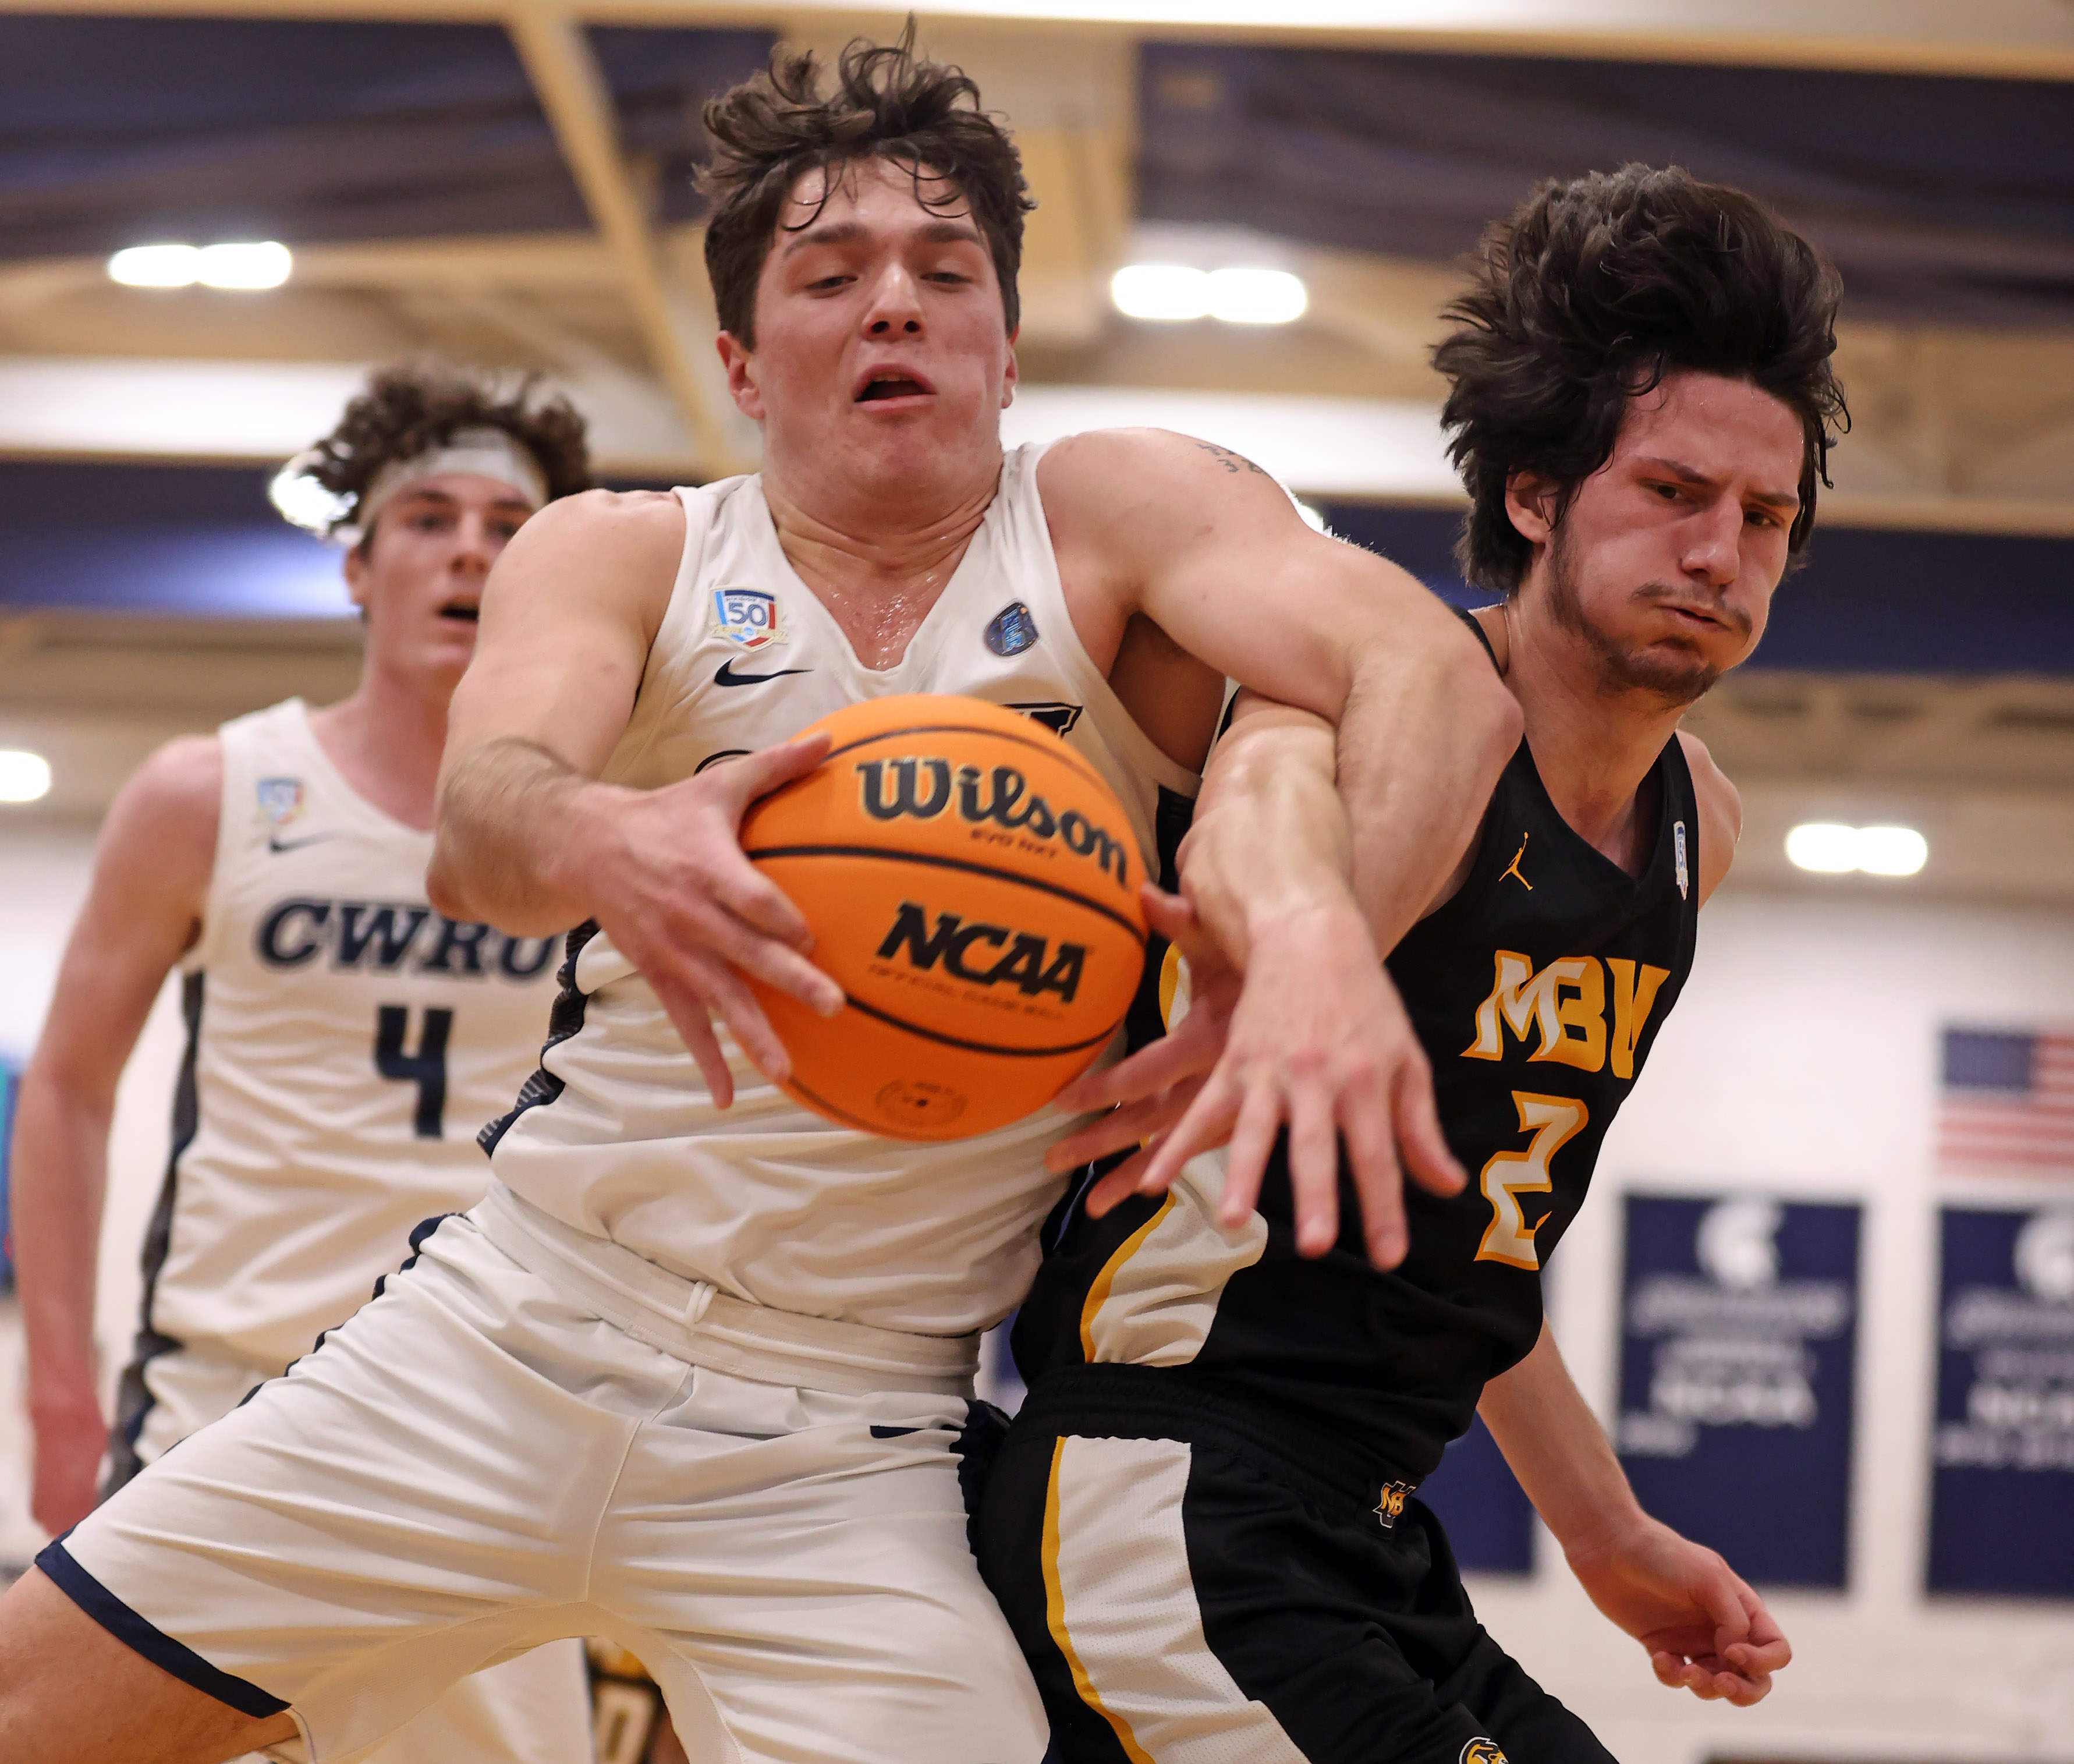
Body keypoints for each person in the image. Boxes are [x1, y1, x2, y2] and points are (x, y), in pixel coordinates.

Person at [0, 38, 1520, 1764]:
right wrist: (604, 838)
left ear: (1008, 345)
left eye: (948, 275)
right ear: (738, 357)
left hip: (852, 1431)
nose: (898, 307)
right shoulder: (625, 550)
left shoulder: (1114, 516)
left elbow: (1436, 681)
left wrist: (1319, 943)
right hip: (510, 1329)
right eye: (832, 274)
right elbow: (482, 830)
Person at [979, 164, 1850, 1763]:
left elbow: (1470, 1244)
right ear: (1533, 494)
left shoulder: (1691, 829)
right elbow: (1256, 824)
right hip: (1162, 1478)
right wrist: (1291, 927)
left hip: (1367, 1526)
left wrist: (1605, 1531)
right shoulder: (1370, 706)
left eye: (1764, 515)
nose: (1720, 548)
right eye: (1669, 491)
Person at [5, 363, 600, 1764]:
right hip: (229, 1387)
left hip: (496, 1404)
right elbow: (74, 1089)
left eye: (511, 527)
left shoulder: (606, 830)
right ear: (356, 565)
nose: (469, 549)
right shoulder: (208, 792)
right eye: (427, 518)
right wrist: (59, 1389)